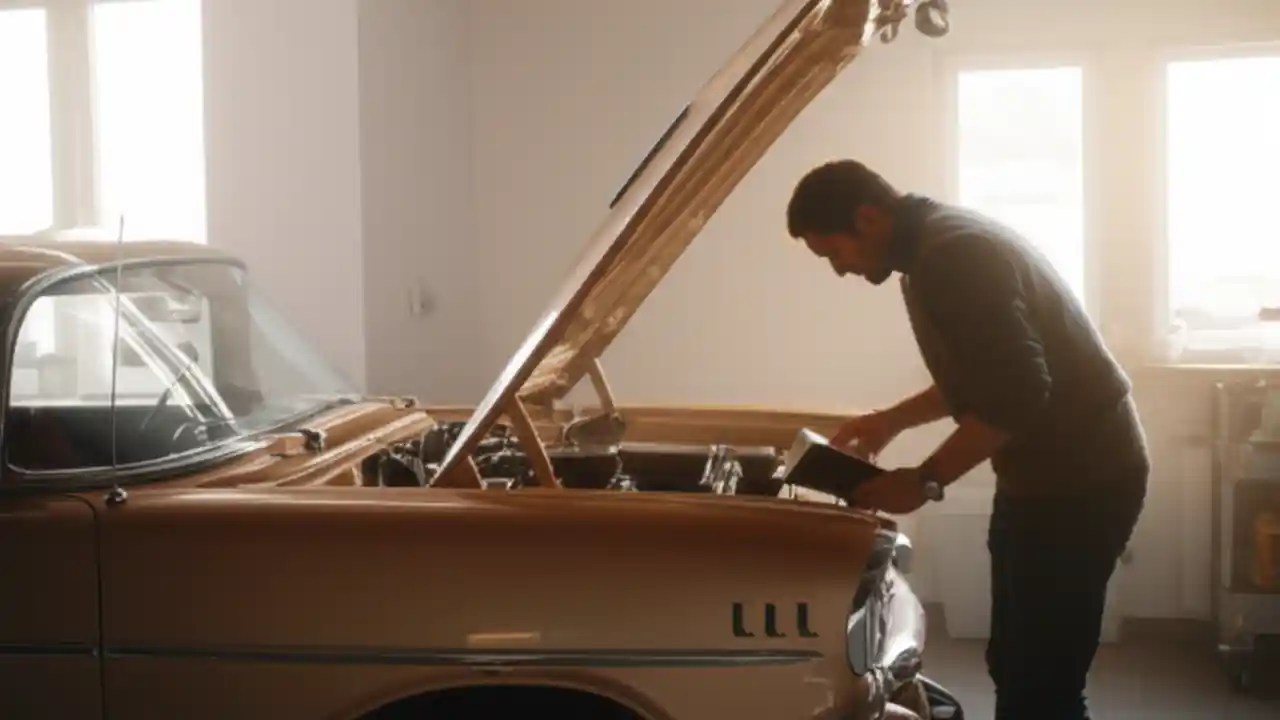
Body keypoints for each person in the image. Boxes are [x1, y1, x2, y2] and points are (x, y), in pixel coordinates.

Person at [786, 159, 1149, 720]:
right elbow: (982, 374)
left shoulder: (952, 257)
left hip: (1084, 480)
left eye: (834, 253)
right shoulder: (929, 251)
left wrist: (923, 481)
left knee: (1042, 679)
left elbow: (1019, 393)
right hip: (1047, 476)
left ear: (867, 218)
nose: (838, 270)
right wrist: (891, 420)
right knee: (1015, 661)